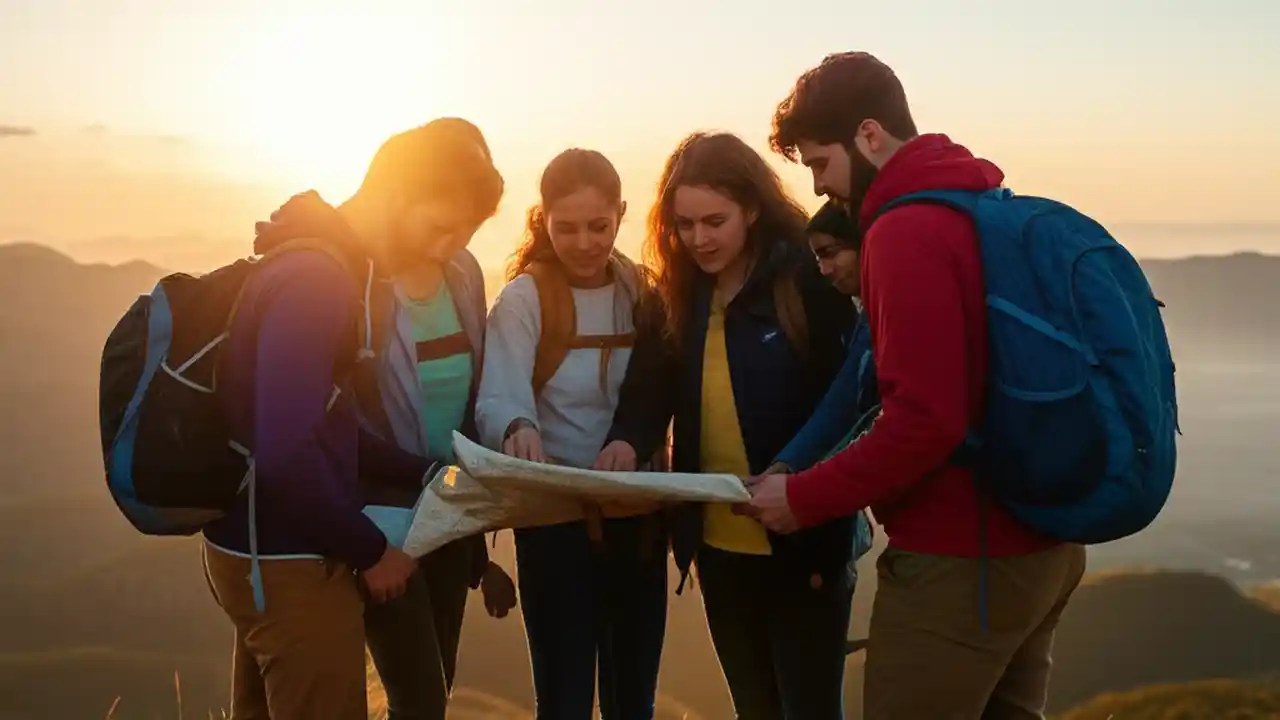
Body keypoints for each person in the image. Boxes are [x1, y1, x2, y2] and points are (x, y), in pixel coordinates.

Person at [754, 51, 1087, 720]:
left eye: (821, 162)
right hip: (1045, 546)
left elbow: (925, 421)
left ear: (870, 135)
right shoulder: (982, 200)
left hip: (960, 563)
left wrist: (803, 497)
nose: (820, 188)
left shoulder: (903, 230)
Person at [201, 117, 505, 720]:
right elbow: (287, 450)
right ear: (395, 194)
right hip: (291, 555)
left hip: (274, 540)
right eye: (439, 225)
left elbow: (327, 425)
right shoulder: (320, 280)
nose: (448, 248)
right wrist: (370, 551)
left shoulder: (326, 266)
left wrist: (429, 475)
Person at [602, 131, 855, 719]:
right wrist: (625, 441)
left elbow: (847, 401)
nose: (698, 239)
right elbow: (648, 389)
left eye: (714, 221)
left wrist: (800, 480)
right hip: (718, 545)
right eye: (685, 224)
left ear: (753, 208)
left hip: (804, 540)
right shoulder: (679, 294)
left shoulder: (807, 283)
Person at [475, 149, 668, 720]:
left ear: (621, 214)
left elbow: (657, 386)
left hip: (635, 515)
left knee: (633, 696)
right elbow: (501, 387)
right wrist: (518, 427)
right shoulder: (525, 299)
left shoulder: (641, 291)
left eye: (599, 226)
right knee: (563, 696)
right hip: (553, 519)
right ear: (544, 220)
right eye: (567, 228)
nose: (584, 242)